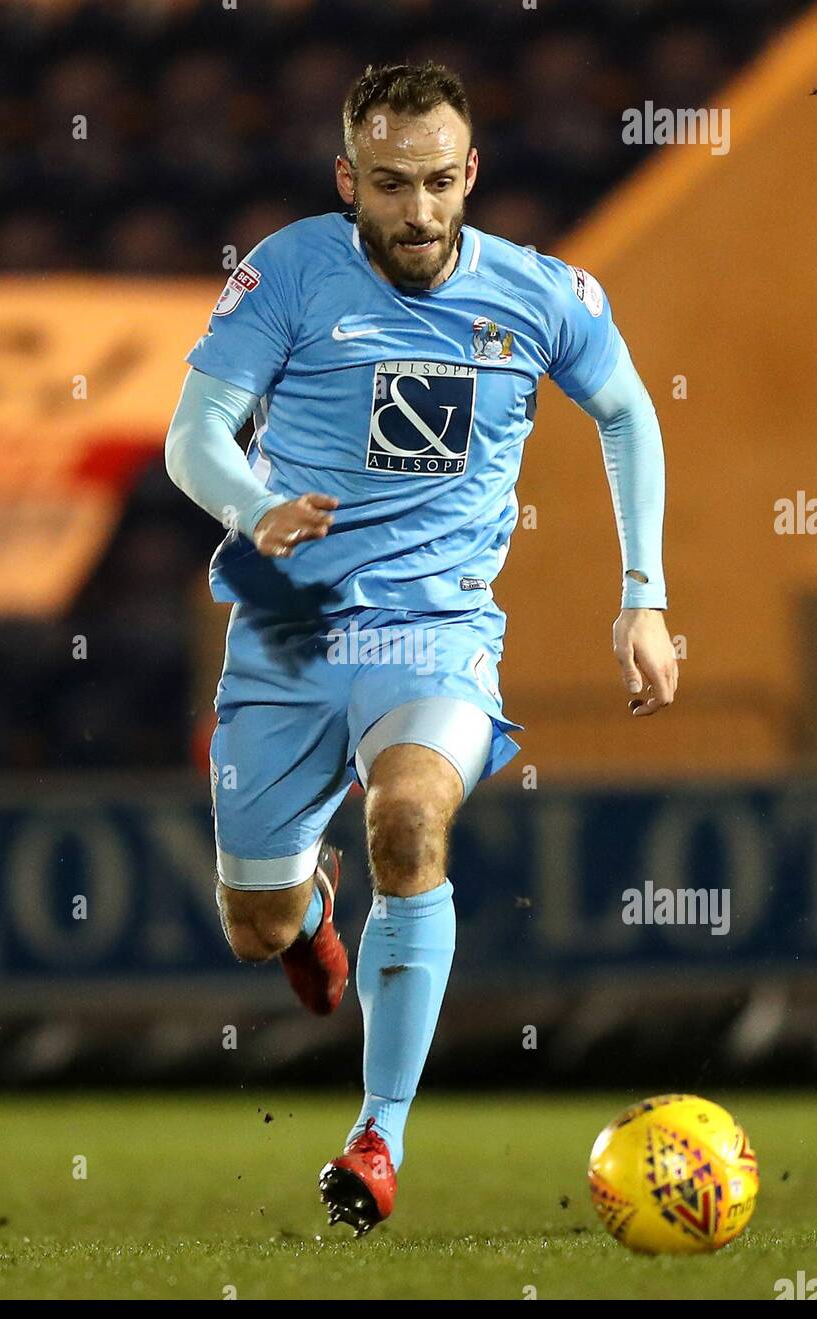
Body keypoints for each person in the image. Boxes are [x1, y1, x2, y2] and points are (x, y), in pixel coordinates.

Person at [165, 60, 677, 1235]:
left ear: (471, 175)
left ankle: (376, 1135)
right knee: (258, 926)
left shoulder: (541, 294)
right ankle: (310, 917)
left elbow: (626, 409)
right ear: (348, 179)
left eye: (438, 183)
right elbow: (192, 433)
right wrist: (253, 509)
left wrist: (642, 595)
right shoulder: (289, 272)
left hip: (435, 630)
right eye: (389, 185)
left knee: (408, 822)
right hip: (288, 630)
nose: (416, 211)